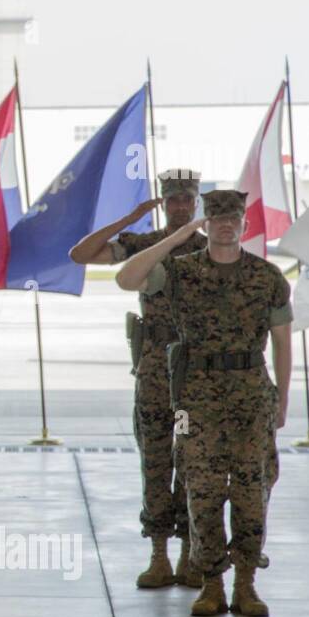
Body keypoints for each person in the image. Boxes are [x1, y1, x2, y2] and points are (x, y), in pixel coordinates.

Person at [115, 189, 292, 617]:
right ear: (206, 223)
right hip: (196, 399)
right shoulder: (180, 273)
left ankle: (246, 584)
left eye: (233, 218)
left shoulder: (267, 278)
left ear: (244, 225)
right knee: (203, 494)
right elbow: (127, 277)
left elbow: (284, 345)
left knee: (252, 494)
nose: (226, 225)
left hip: (251, 395)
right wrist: (176, 238)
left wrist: (282, 401)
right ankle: (211, 583)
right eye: (216, 218)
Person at [70, 169, 208, 588]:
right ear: (163, 203)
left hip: (196, 370)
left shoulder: (210, 249)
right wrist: (129, 218)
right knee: (155, 457)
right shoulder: (145, 245)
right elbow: (82, 254)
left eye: (187, 199)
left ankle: (190, 552)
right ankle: (158, 554)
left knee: (192, 459)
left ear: (196, 201)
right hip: (154, 367)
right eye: (173, 200)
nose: (180, 206)